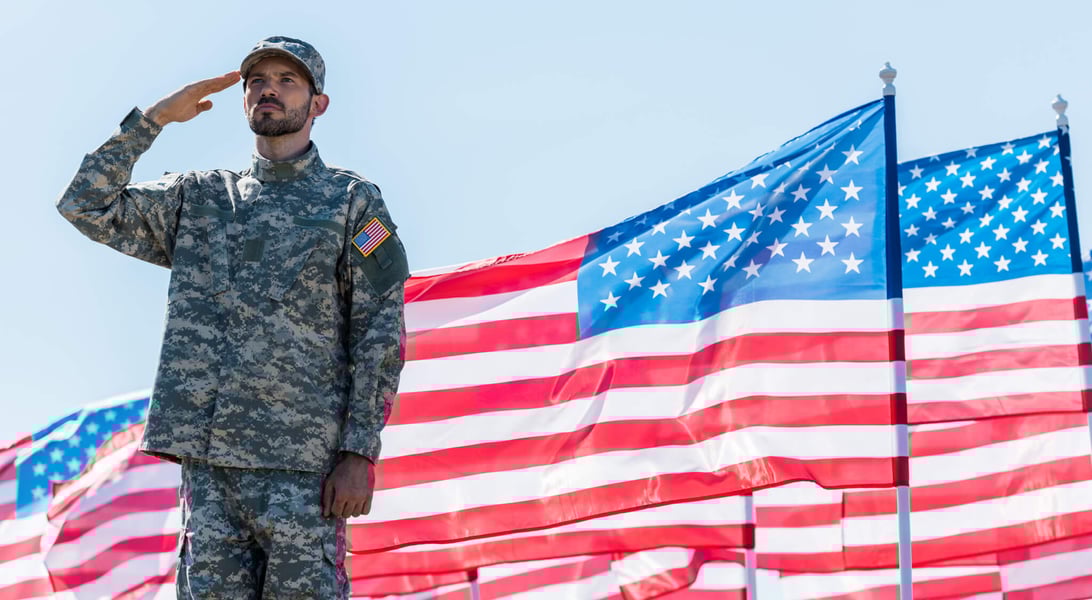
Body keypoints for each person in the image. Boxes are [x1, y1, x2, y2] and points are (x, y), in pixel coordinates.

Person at [55, 36, 408, 599]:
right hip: (210, 469)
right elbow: (86, 205)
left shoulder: (352, 204)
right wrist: (152, 122)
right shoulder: (198, 199)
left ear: (318, 105)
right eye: (257, 80)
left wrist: (360, 449)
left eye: (287, 80)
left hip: (303, 469)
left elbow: (379, 331)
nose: (268, 89)